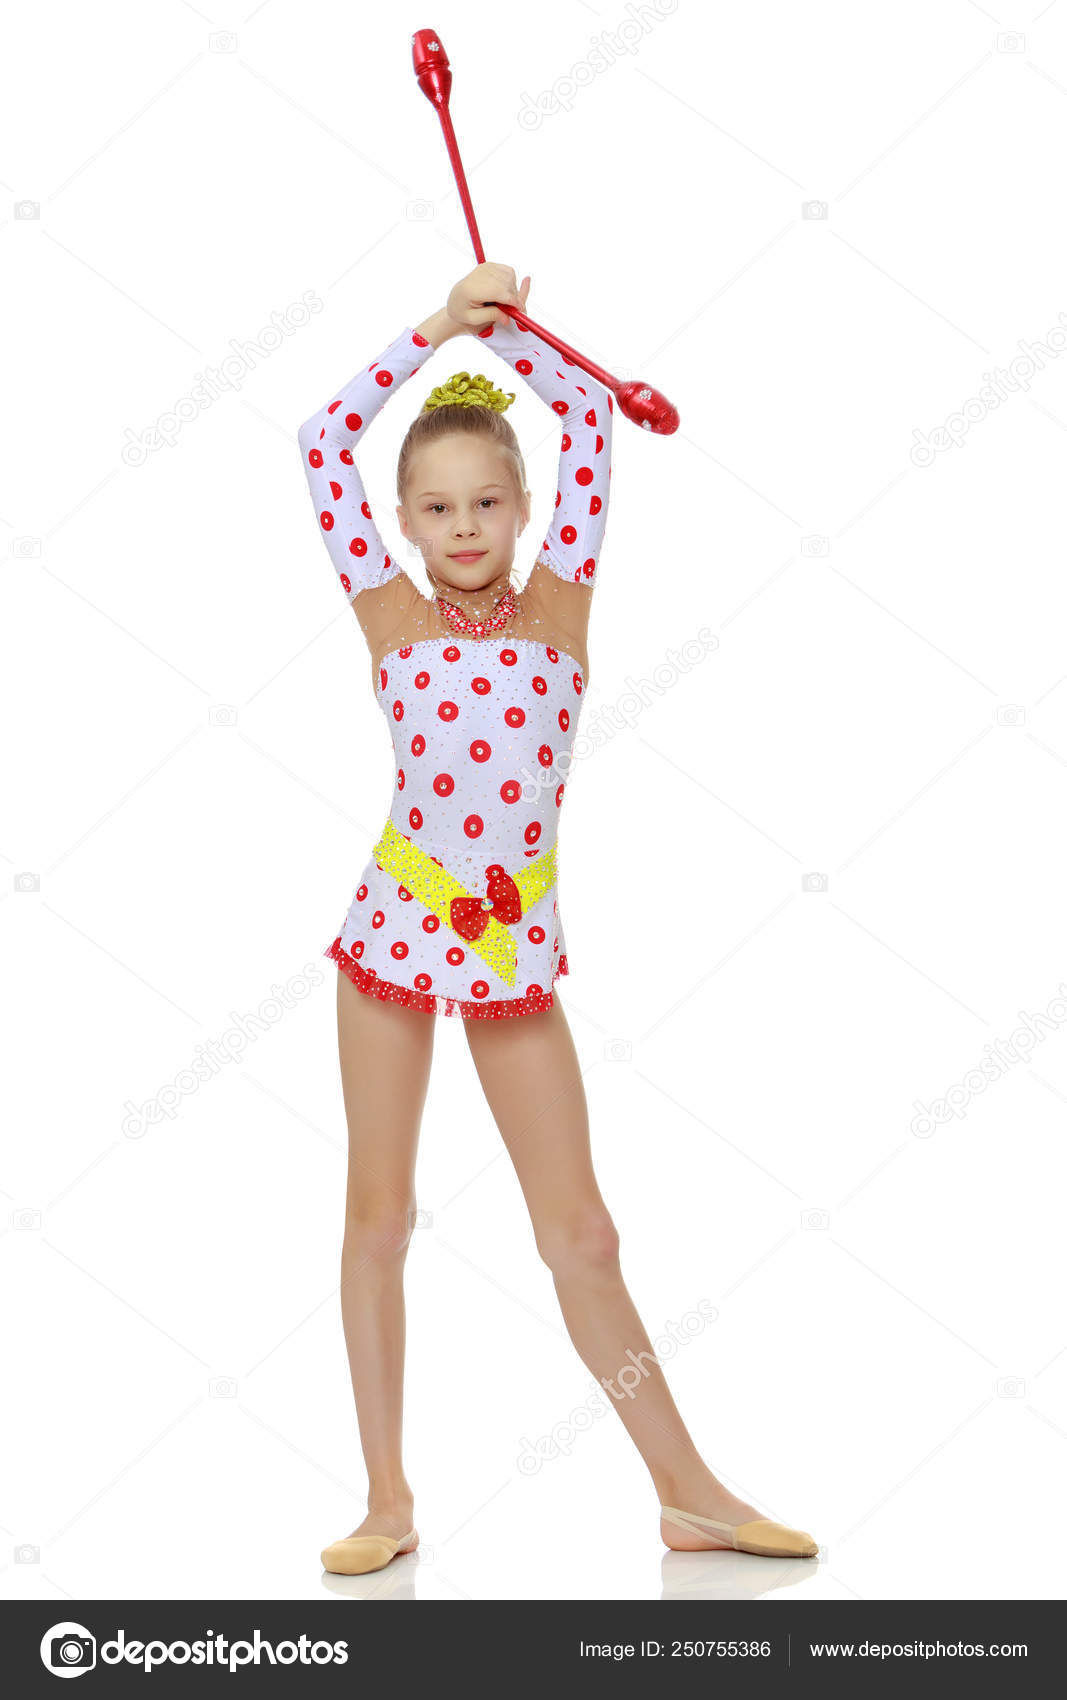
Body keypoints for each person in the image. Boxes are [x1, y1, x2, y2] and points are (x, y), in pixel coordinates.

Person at [297, 262, 818, 1574]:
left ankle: (688, 1491)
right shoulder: (393, 614)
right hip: (393, 940)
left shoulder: (564, 609)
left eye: (486, 500)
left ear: (527, 510)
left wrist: (514, 337)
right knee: (378, 1217)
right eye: (436, 506)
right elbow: (317, 444)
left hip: (512, 955)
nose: (463, 523)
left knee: (580, 1233)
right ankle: (385, 1502)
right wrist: (434, 328)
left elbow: (590, 421)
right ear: (404, 525)